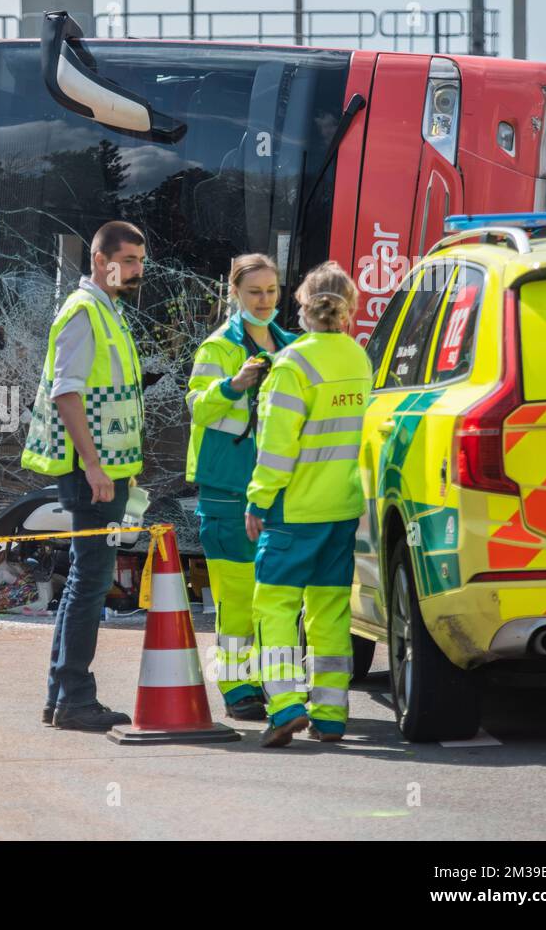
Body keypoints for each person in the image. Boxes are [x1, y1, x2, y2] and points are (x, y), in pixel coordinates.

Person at [22, 221, 147, 732]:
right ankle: (74, 697)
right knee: (89, 584)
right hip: (91, 475)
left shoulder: (105, 310)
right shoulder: (84, 312)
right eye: (131, 260)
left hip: (106, 473)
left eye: (141, 260)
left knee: (84, 581)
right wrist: (94, 465)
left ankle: (62, 697)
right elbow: (67, 393)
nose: (139, 270)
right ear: (101, 259)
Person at [244, 262, 372, 747]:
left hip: (292, 512)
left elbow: (277, 449)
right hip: (342, 510)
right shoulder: (359, 361)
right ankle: (332, 715)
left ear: (302, 306)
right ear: (349, 309)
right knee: (330, 612)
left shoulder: (292, 366)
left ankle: (284, 706)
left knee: (275, 607)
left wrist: (258, 500)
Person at [185, 253, 297, 720]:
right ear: (235, 293)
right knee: (236, 598)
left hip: (277, 490)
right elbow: (199, 407)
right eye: (255, 292)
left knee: (278, 596)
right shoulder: (218, 349)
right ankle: (237, 686)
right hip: (227, 489)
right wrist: (233, 386)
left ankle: (281, 687)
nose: (265, 300)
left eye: (271, 291)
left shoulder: (292, 345)